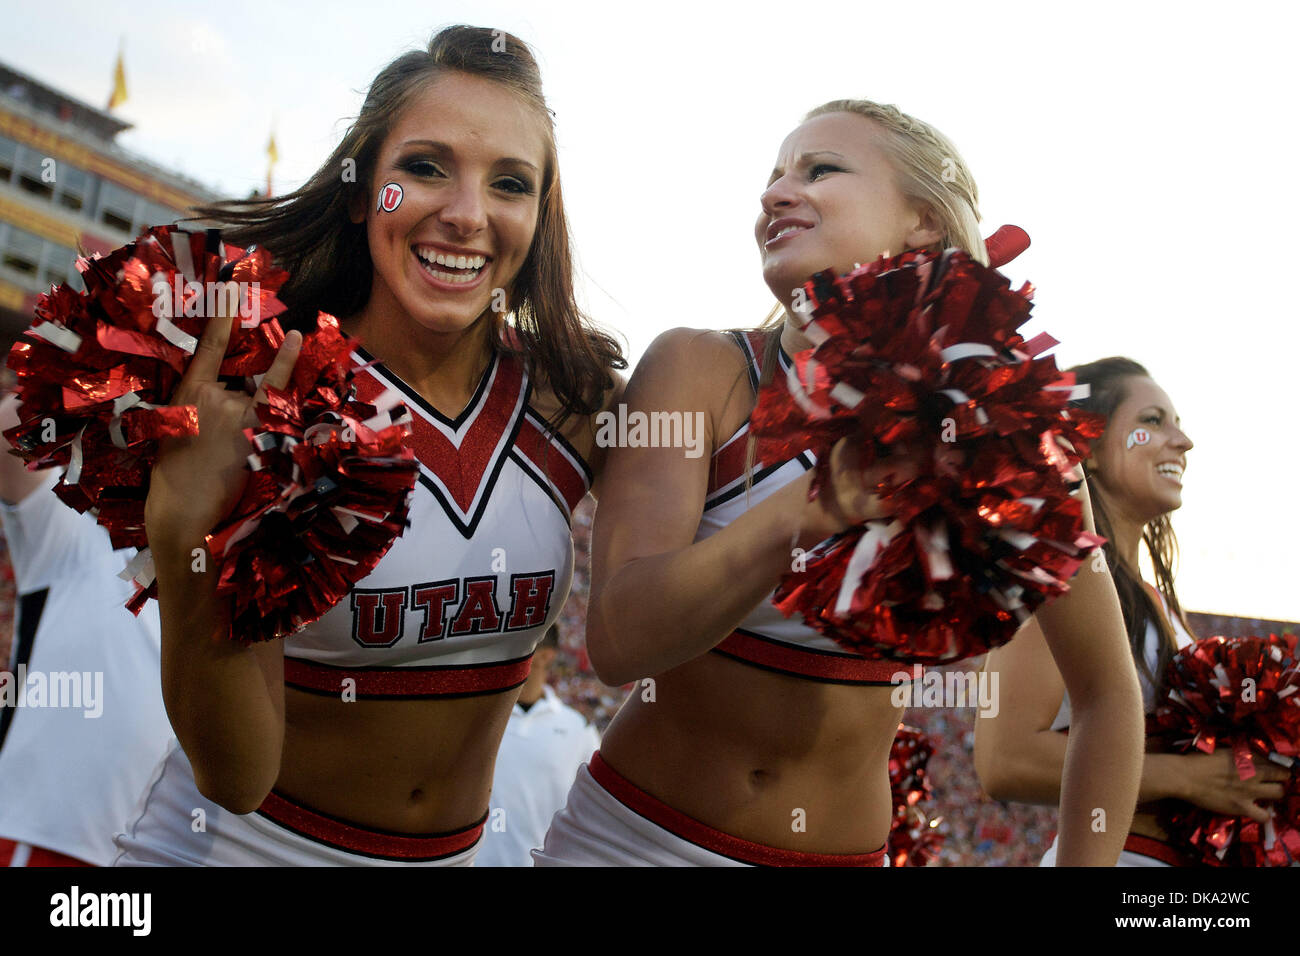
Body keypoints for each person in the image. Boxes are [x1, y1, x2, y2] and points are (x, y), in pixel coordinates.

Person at [535, 99, 1144, 867]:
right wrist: (807, 509)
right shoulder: (705, 371)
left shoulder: (1006, 426)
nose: (776, 194)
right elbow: (621, 640)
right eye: (773, 177)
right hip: (632, 845)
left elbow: (1106, 696)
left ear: (923, 219)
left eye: (819, 169)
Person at [114, 24, 623, 866]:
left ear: (539, 215)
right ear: (361, 191)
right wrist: (181, 539)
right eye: (424, 168)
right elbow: (234, 776)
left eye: (509, 183)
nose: (465, 215)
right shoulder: (269, 389)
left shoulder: (576, 405)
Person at [974, 357, 1289, 866]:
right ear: (1088, 448)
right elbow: (1005, 759)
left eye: (1179, 424)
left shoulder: (1159, 602)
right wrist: (1189, 779)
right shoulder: (1056, 571)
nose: (1182, 442)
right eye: (1152, 421)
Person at [0, 392, 175, 867]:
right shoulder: (75, 522)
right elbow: (10, 430)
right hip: (53, 831)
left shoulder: (232, 562)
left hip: (161, 849)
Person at [476, 625, 600, 866]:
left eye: (516, 646)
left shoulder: (578, 728)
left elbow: (593, 813)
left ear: (546, 656)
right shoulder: (475, 721)